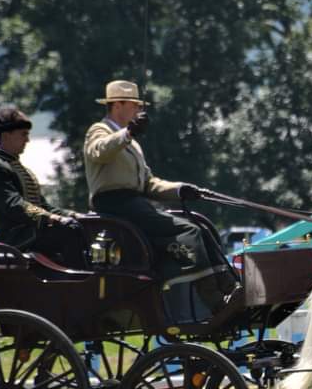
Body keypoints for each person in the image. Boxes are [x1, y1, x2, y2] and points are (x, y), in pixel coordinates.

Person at [83, 80, 237, 318]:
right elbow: (99, 151)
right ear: (117, 105)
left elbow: (148, 183)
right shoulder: (99, 130)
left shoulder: (132, 143)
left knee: (201, 227)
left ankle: (230, 287)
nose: (139, 109)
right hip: (114, 203)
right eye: (134, 105)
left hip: (134, 203)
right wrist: (128, 133)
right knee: (188, 232)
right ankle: (214, 301)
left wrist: (179, 190)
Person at [0, 106, 85, 264]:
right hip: (15, 238)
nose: (27, 140)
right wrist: (50, 218)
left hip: (32, 233)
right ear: (6, 135)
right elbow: (14, 205)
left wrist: (72, 215)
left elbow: (42, 205)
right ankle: (76, 276)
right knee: (68, 232)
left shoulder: (19, 168)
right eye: (23, 134)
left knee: (79, 227)